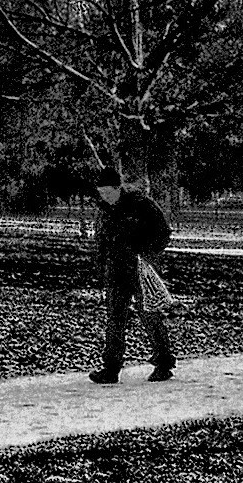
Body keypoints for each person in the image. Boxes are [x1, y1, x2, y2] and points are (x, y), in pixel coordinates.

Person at [88, 164, 176, 384]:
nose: (105, 197)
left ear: (119, 188)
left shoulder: (141, 204)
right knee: (115, 319)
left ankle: (163, 363)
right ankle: (111, 369)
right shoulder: (104, 211)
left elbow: (163, 232)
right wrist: (100, 268)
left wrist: (147, 255)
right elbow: (101, 243)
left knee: (150, 315)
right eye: (101, 193)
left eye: (108, 192)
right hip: (116, 271)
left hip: (140, 269)